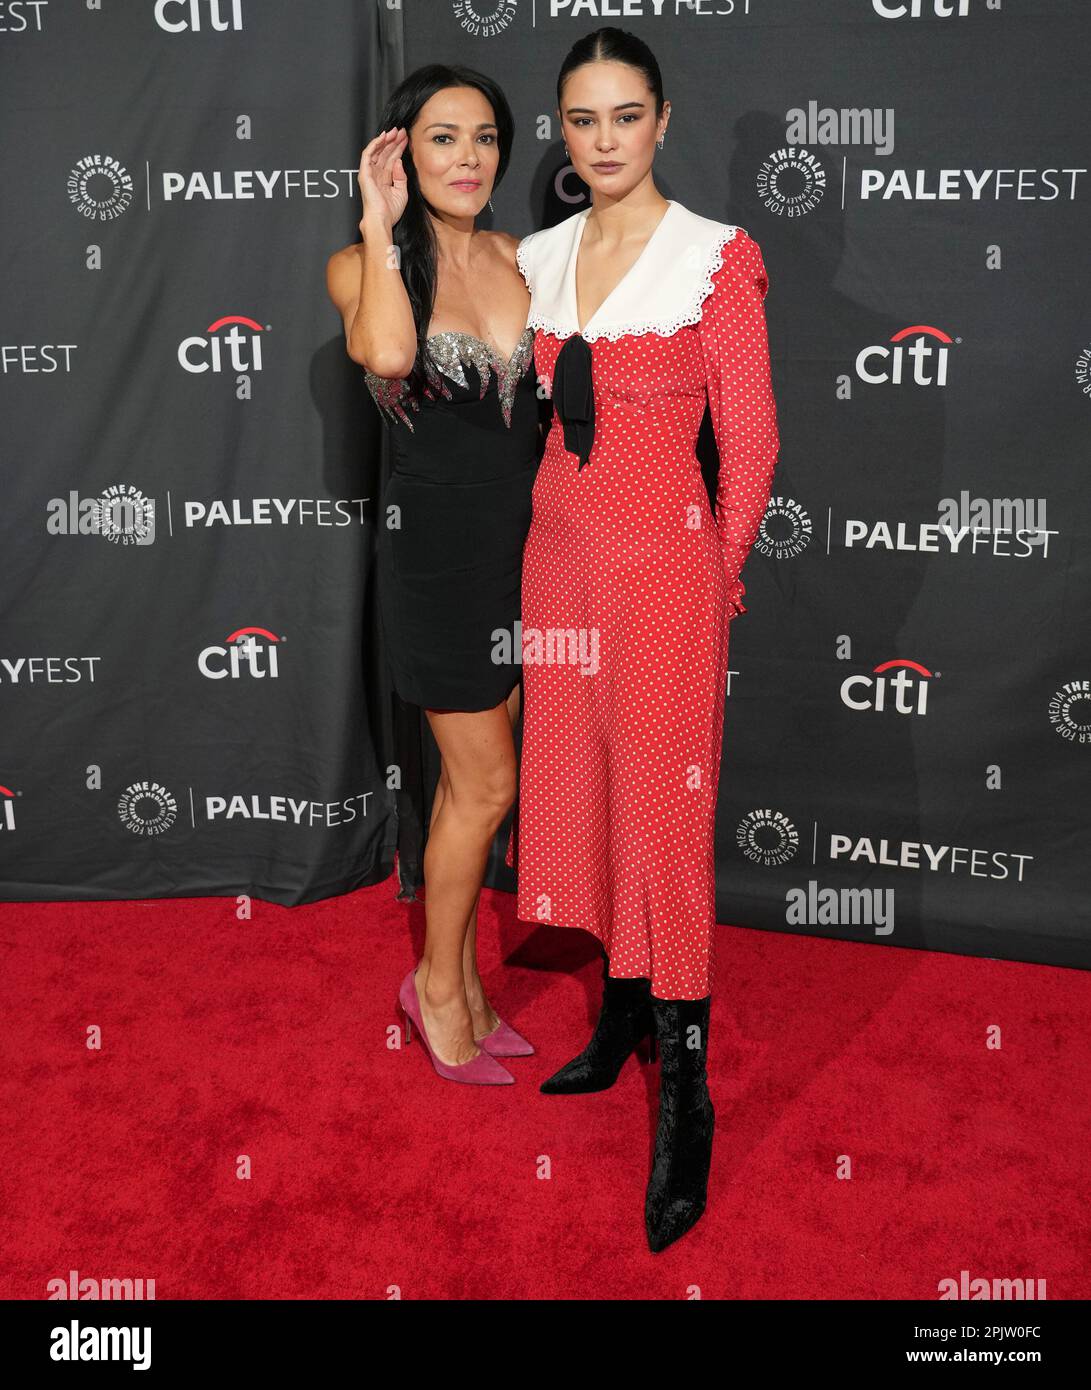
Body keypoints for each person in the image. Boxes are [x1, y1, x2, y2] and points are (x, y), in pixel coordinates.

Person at [508, 27, 780, 1247]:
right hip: (556, 570)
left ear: (661, 121)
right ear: (560, 132)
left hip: (663, 576)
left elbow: (755, 443)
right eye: (581, 119)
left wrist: (714, 582)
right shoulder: (541, 255)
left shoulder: (713, 258)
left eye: (624, 116)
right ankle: (618, 1014)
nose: (603, 140)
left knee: (663, 818)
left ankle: (685, 1088)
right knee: (583, 786)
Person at [327, 66, 542, 1086]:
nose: (468, 158)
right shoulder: (360, 267)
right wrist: (379, 224)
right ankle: (438, 986)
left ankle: (458, 976)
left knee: (474, 785)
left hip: (528, 556)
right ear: (400, 149)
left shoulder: (523, 257)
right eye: (443, 137)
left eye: (485, 137)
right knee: (486, 784)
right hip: (437, 562)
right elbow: (384, 351)